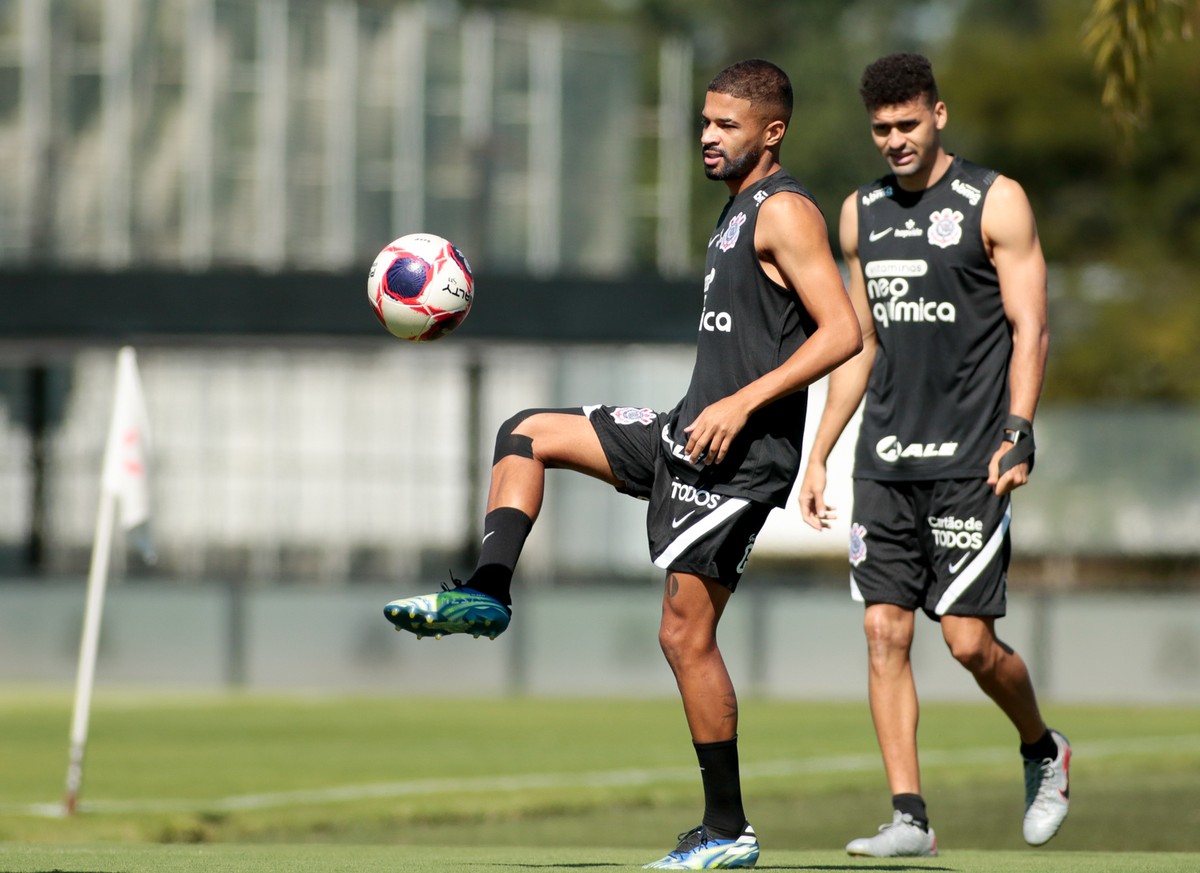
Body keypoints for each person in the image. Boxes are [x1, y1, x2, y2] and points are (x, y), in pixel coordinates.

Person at [384, 59, 862, 869]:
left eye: (726, 125)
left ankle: (726, 829)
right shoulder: (735, 212)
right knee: (529, 431)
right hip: (688, 431)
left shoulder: (784, 212)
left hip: (739, 457)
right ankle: (489, 592)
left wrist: (746, 406)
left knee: (684, 633)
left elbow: (843, 331)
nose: (707, 137)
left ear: (772, 132)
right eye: (704, 121)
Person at [798, 52, 1068, 857]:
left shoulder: (996, 200)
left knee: (967, 642)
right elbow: (858, 344)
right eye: (881, 129)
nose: (895, 141)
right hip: (884, 461)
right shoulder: (858, 214)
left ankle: (1042, 747)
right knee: (884, 631)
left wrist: (1019, 427)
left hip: (971, 461)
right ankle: (909, 816)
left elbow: (1032, 326)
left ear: (938, 116)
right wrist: (822, 453)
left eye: (908, 124)